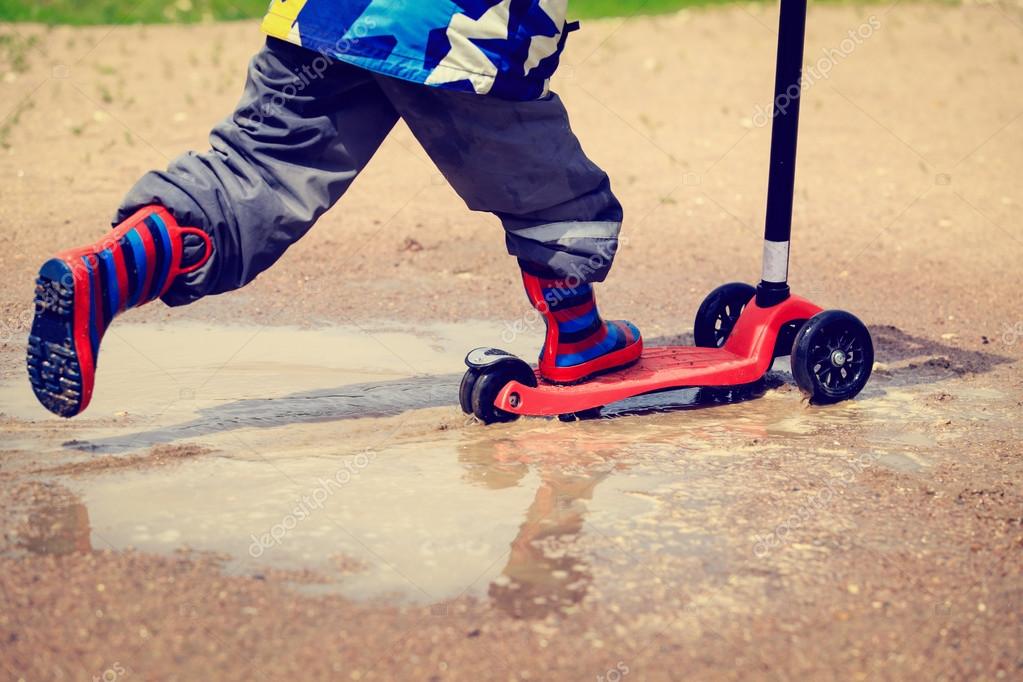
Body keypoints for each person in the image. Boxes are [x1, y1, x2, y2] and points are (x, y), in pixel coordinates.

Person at [26, 0, 642, 418]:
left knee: (253, 170)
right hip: (460, 25)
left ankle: (107, 272)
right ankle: (579, 338)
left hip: (325, 15)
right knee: (551, 194)